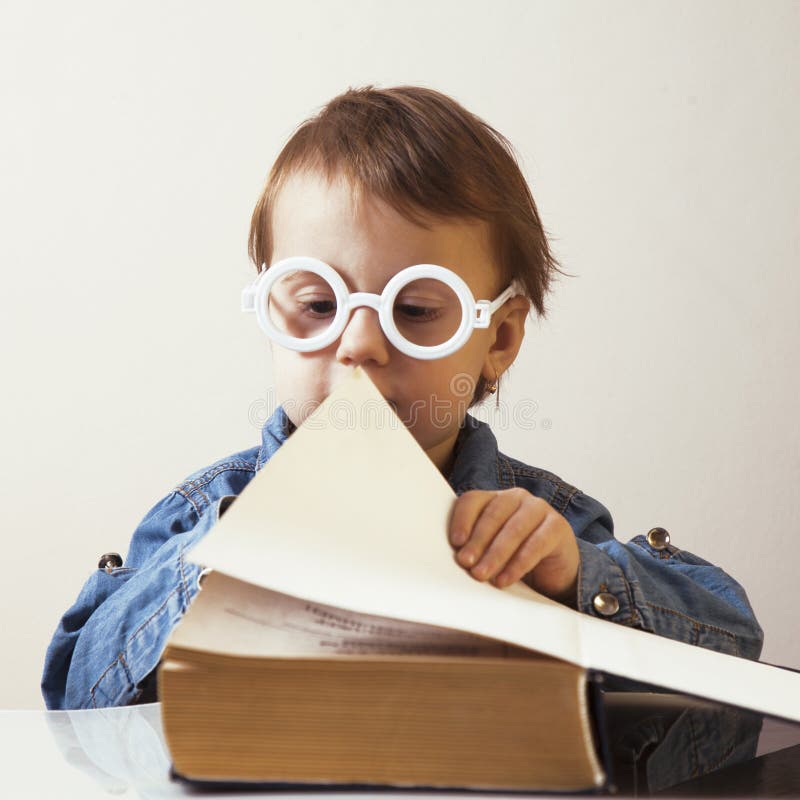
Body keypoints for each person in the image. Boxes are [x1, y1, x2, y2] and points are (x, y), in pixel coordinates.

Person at [42, 85, 763, 710]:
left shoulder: (545, 530)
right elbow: (72, 695)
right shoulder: (204, 518)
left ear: (500, 340)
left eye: (416, 310)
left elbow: (733, 648)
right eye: (317, 304)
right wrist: (221, 558)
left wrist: (577, 576)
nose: (357, 344)